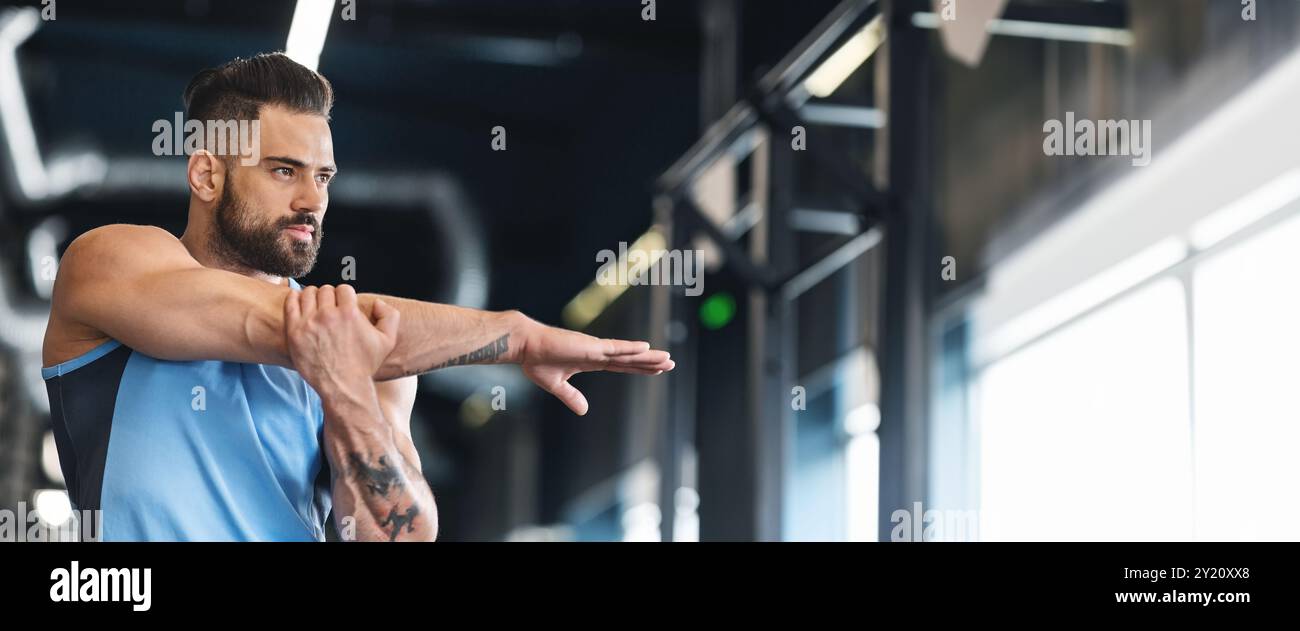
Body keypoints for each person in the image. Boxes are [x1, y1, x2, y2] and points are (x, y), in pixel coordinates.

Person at [40, 52, 673, 542]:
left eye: (323, 178)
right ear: (208, 173)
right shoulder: (113, 261)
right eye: (283, 171)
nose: (312, 200)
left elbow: (396, 534)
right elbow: (277, 326)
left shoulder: (369, 359)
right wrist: (517, 334)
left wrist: (345, 391)